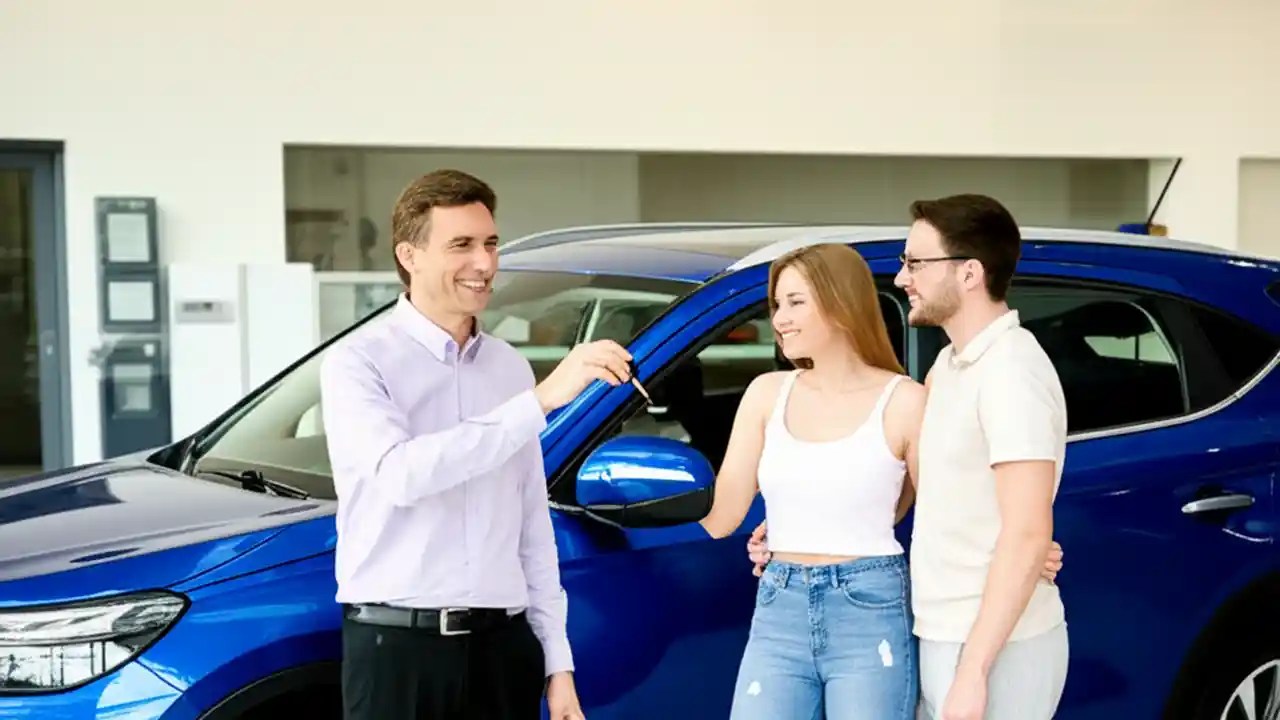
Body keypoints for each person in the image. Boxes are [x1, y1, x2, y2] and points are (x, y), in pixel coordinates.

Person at [696, 242, 1063, 720]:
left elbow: (948, 503)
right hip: (778, 607)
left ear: (841, 305)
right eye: (776, 305)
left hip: (868, 609)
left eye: (795, 302)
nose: (779, 318)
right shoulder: (765, 394)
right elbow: (724, 517)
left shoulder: (907, 400)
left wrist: (1031, 545)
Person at [320, 168, 633, 720]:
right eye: (461, 245)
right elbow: (402, 475)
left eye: (490, 244)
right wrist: (539, 402)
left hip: (502, 652)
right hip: (397, 654)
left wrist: (558, 666)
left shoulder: (508, 368)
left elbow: (532, 528)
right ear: (409, 256)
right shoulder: (358, 362)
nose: (485, 264)